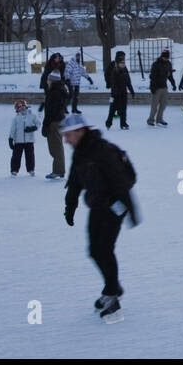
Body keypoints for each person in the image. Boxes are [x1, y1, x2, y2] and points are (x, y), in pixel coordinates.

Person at [62, 113, 139, 323]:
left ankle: (113, 296)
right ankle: (113, 287)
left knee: (103, 250)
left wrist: (131, 210)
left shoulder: (103, 150)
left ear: (80, 131)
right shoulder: (80, 152)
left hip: (114, 207)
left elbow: (120, 181)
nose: (65, 139)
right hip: (97, 205)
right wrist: (70, 206)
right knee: (95, 251)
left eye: (68, 135)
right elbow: (75, 180)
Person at [42, 70, 69, 180]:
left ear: (52, 80)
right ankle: (59, 170)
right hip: (59, 121)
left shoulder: (54, 92)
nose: (47, 81)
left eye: (48, 79)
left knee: (55, 148)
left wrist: (45, 125)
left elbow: (51, 111)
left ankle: (58, 171)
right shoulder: (60, 90)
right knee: (57, 147)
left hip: (54, 122)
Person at [8, 98, 40, 176]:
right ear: (17, 109)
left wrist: (33, 128)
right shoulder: (16, 118)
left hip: (29, 140)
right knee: (16, 156)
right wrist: (10, 139)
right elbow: (12, 129)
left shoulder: (32, 116)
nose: (22, 109)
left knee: (30, 156)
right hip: (18, 141)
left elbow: (38, 123)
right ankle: (14, 170)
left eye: (23, 107)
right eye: (20, 108)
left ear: (26, 107)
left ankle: (31, 169)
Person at [147, 50, 176, 127]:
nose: (166, 59)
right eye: (165, 57)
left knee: (163, 105)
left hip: (164, 87)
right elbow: (152, 77)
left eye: (167, 58)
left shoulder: (168, 64)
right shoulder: (156, 64)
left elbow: (170, 75)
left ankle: (159, 119)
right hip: (156, 87)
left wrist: (173, 84)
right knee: (154, 106)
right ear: (162, 56)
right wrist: (152, 87)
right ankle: (150, 120)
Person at [105, 59, 136, 130]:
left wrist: (132, 92)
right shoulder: (114, 72)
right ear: (118, 64)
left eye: (124, 63)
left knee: (123, 109)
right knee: (112, 110)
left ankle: (123, 123)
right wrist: (116, 93)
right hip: (115, 94)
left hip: (123, 93)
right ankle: (108, 123)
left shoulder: (125, 71)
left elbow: (128, 82)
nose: (123, 64)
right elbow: (113, 84)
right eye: (121, 63)